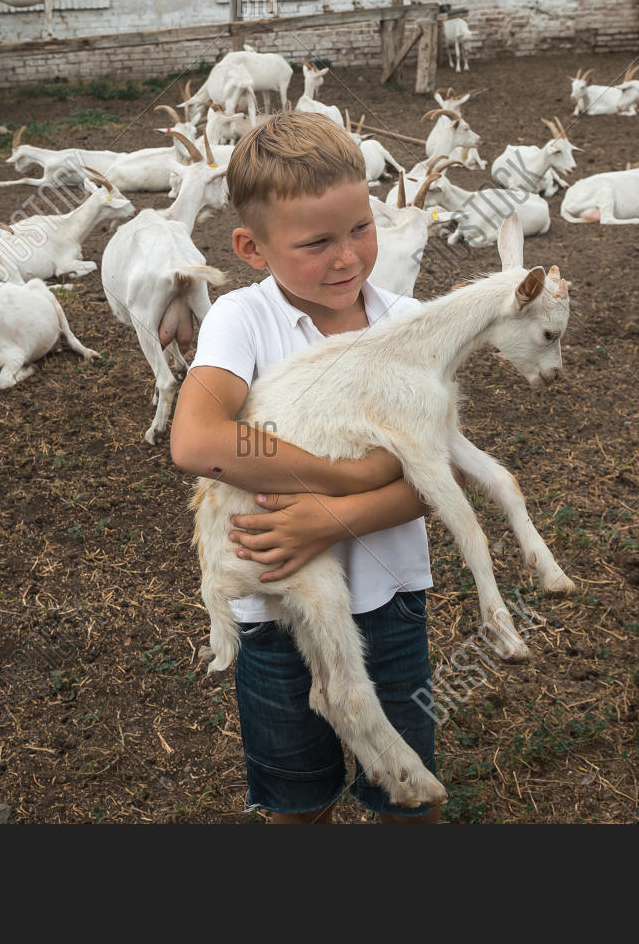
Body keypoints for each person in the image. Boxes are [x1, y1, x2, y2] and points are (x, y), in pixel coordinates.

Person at [170, 111, 440, 824]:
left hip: (390, 604)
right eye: (316, 243)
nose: (347, 258)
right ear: (251, 247)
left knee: (408, 797)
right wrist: (346, 475)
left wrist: (331, 519)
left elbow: (433, 479)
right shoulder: (241, 321)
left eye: (361, 228)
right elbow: (197, 439)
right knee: (295, 797)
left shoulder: (406, 324)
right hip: (275, 614)